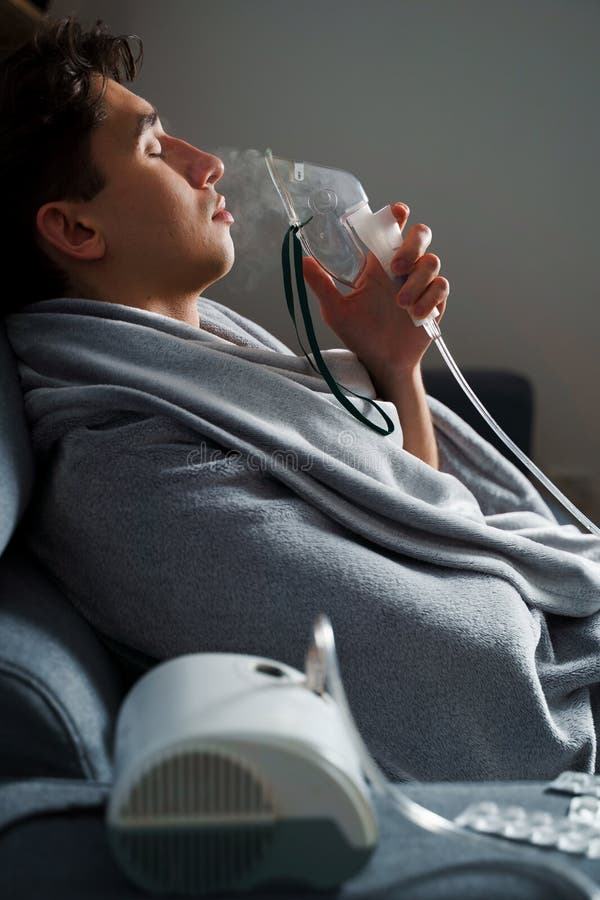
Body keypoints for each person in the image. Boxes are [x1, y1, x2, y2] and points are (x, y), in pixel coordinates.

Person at [3, 16, 600, 783]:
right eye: (155, 148)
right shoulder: (128, 470)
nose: (208, 165)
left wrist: (397, 368)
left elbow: (414, 515)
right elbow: (453, 666)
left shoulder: (201, 354)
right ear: (76, 228)